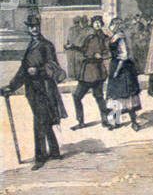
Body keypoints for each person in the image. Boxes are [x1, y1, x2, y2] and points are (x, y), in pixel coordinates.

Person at [2, 12, 66, 168]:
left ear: (39, 27)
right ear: (28, 29)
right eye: (31, 27)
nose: (34, 29)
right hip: (33, 90)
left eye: (36, 26)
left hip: (45, 88)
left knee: (39, 122)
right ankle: (55, 151)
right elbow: (24, 70)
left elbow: (53, 66)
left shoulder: (47, 45)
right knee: (44, 120)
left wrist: (38, 71)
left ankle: (40, 157)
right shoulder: (30, 45)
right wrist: (11, 86)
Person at [72, 15, 110, 129]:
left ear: (102, 24)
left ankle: (105, 121)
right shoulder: (89, 37)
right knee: (77, 96)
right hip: (87, 71)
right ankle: (80, 121)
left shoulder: (105, 38)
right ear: (92, 25)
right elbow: (83, 49)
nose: (97, 24)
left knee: (99, 97)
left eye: (99, 22)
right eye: (95, 23)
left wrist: (101, 56)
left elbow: (109, 52)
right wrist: (73, 47)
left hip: (97, 71)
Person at [105, 17, 142, 130]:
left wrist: (117, 71)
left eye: (117, 25)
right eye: (114, 25)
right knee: (115, 96)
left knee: (127, 94)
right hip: (115, 65)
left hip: (123, 68)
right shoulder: (113, 37)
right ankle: (115, 122)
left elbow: (124, 56)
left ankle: (134, 122)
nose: (114, 27)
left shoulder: (121, 38)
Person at [64, 15, 89, 82]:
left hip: (78, 50)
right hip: (71, 50)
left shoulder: (83, 31)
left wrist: (73, 45)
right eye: (75, 22)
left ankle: (78, 77)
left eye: (77, 22)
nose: (76, 24)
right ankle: (72, 77)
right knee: (71, 64)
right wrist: (67, 45)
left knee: (78, 64)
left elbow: (82, 41)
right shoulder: (71, 29)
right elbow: (68, 40)